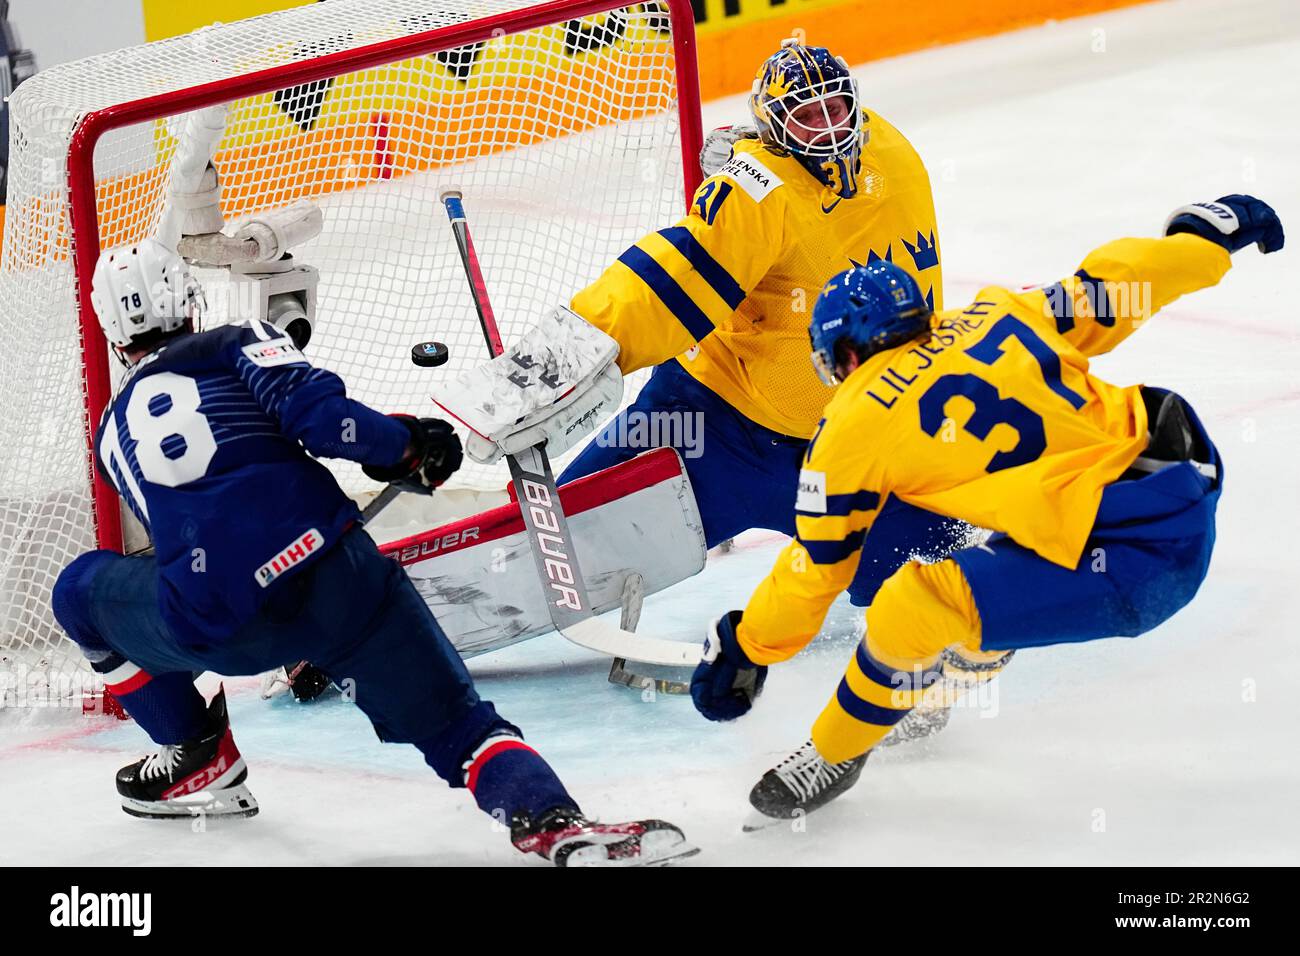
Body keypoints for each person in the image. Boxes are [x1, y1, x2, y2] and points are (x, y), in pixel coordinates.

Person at [51, 238, 696, 866]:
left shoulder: (111, 432)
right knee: (458, 729)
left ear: (113, 336)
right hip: (338, 582)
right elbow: (329, 425)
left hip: (216, 625)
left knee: (78, 593)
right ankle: (554, 824)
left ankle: (196, 751)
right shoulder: (237, 340)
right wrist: (411, 447)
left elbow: (206, 527)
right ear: (191, 301)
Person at [687, 195, 1283, 826]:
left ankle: (836, 752)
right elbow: (1115, 287)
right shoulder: (998, 310)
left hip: (1142, 563)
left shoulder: (851, 426)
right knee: (1003, 521)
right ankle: (975, 645)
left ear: (845, 356)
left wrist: (747, 645)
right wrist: (1201, 242)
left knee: (909, 606)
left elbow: (818, 567)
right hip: (1175, 470)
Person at [557, 36, 968, 608]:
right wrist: (581, 345)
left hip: (852, 454)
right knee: (559, 545)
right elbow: (674, 281)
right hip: (711, 426)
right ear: (777, 127)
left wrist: (759, 151)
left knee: (948, 576)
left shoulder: (890, 154)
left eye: (835, 109)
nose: (827, 129)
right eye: (805, 117)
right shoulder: (757, 190)